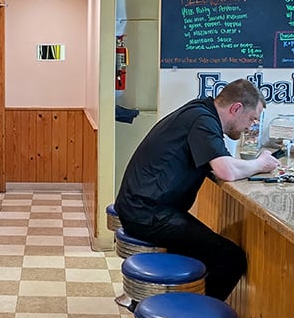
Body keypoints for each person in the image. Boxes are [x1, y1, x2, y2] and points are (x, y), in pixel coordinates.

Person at [114, 78, 279, 301]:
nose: (251, 126)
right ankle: (187, 316)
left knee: (199, 247)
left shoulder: (199, 111)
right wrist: (261, 164)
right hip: (147, 213)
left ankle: (164, 303)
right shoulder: (203, 121)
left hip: (141, 207)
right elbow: (226, 171)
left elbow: (222, 163)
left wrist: (251, 165)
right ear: (236, 108)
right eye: (251, 119)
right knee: (231, 259)